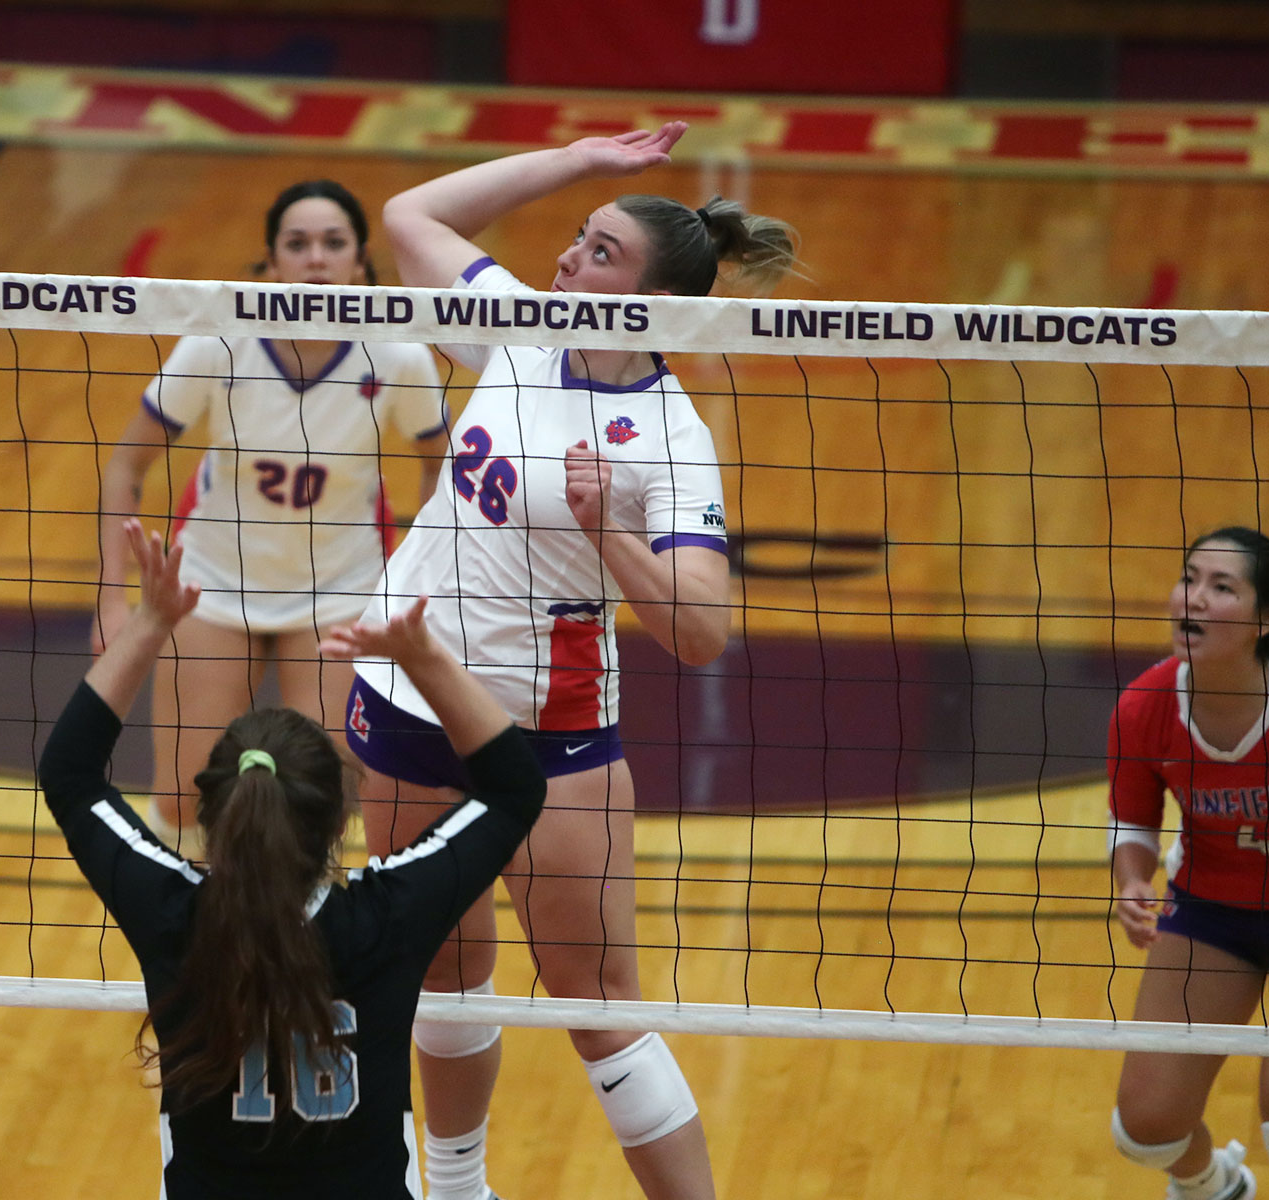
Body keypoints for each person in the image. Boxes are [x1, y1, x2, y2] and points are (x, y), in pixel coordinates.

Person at [350, 121, 796, 1200]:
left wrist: (610, 534)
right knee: (443, 975)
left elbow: (701, 629)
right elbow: (413, 215)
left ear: (646, 302)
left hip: (551, 736)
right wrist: (586, 163)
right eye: (576, 239)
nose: (565, 260)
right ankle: (452, 1187)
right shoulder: (517, 332)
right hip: (409, 698)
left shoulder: (672, 433)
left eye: (599, 252)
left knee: (597, 1007)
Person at [40, 519, 546, 1198]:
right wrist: (419, 656)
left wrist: (152, 622)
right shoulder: (386, 920)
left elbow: (70, 774)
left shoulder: (169, 912)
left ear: (214, 813)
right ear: (341, 820)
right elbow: (515, 787)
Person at [95, 179, 449, 856]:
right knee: (182, 800)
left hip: (338, 590)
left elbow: (442, 463)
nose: (315, 257)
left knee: (323, 800)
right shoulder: (220, 341)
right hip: (213, 584)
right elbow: (124, 465)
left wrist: (416, 577)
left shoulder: (398, 354)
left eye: (332, 242)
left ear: (360, 260)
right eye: (298, 243)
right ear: (271, 261)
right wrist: (113, 602)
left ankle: (305, 947)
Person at [1107, 526, 1269, 1200]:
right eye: (1189, 579)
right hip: (1213, 909)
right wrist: (1131, 879)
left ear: (1268, 619)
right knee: (1145, 1128)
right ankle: (1216, 1187)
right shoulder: (1144, 706)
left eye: (1221, 587)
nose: (1194, 599)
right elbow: (1132, 821)